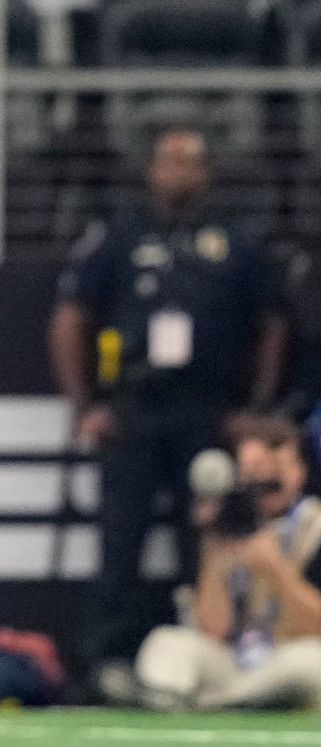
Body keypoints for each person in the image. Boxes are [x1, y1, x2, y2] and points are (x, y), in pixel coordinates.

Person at [50, 126, 287, 683]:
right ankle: (106, 663)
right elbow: (70, 316)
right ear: (150, 170)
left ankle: (211, 654)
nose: (179, 171)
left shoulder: (236, 242)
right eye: (168, 161)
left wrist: (255, 405)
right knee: (119, 540)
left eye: (190, 162)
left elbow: (273, 322)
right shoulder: (120, 237)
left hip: (209, 414)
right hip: (135, 411)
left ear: (207, 173)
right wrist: (84, 403)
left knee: (210, 536)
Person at [132, 416, 321, 709]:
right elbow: (212, 629)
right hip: (233, 661)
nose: (264, 485)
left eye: (276, 473)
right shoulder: (228, 527)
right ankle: (177, 698)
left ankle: (211, 703)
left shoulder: (314, 526)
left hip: (288, 659)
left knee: (311, 661)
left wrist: (275, 570)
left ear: (300, 471)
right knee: (167, 642)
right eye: (255, 474)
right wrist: (215, 545)